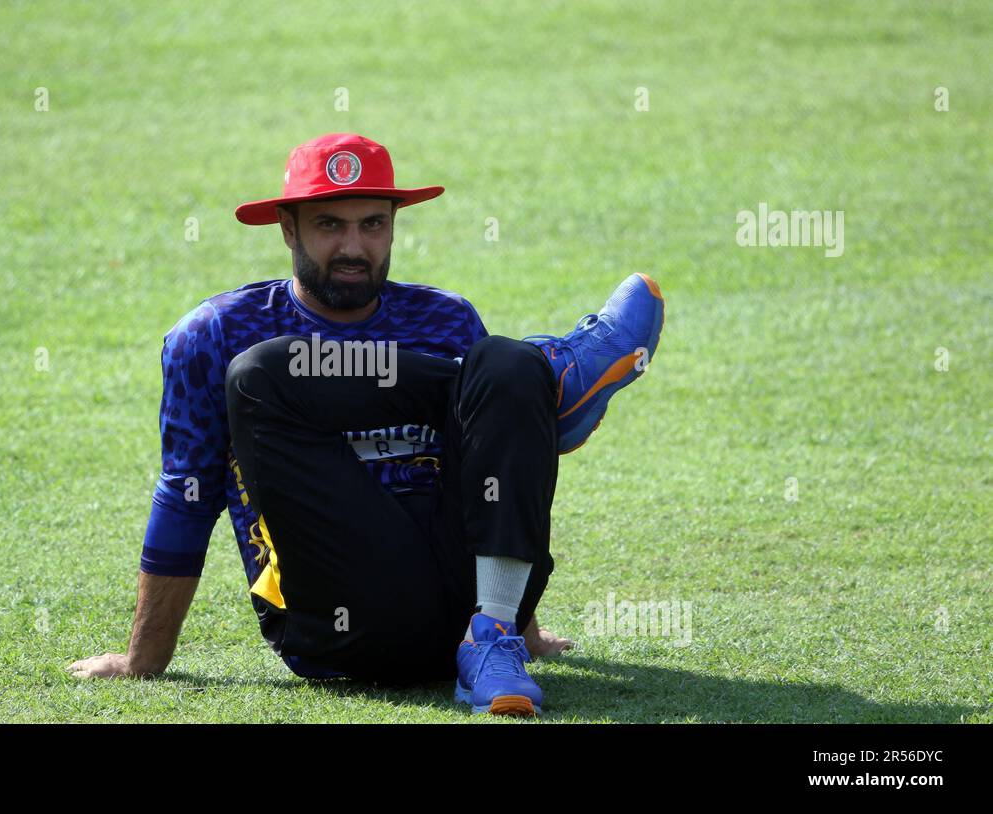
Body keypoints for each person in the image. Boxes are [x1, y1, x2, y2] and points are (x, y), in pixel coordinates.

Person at [68, 133, 664, 715]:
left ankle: (494, 636)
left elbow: (493, 474)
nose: (354, 247)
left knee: (500, 363)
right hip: (341, 618)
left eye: (372, 225)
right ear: (288, 228)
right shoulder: (217, 333)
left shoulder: (446, 317)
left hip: (461, 608)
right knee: (263, 373)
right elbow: (187, 494)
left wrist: (523, 630)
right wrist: (141, 659)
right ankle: (550, 381)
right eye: (331, 225)